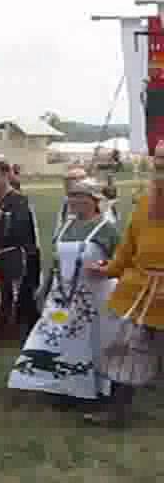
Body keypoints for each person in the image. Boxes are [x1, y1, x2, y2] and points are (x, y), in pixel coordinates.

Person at [7, 179, 117, 402]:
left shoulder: (106, 229)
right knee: (54, 335)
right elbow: (57, 261)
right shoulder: (65, 227)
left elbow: (121, 262)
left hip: (93, 298)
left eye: (79, 196)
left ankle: (90, 388)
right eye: (71, 195)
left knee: (88, 341)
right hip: (61, 297)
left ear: (93, 200)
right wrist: (44, 288)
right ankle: (58, 384)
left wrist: (104, 267)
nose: (73, 200)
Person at [85, 142, 164, 427]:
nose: (160, 165)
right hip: (140, 291)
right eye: (158, 159)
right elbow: (128, 246)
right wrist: (110, 269)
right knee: (125, 353)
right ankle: (117, 414)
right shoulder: (145, 202)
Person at [0, 161, 40, 339]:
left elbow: (17, 227)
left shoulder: (18, 200)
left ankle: (11, 329)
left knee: (12, 292)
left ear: (6, 176)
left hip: (12, 253)